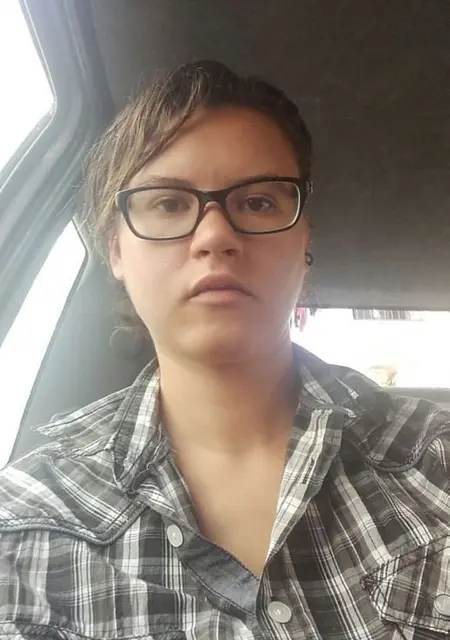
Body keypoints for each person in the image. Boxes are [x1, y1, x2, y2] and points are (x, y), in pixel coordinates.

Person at [0, 60, 449, 640]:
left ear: (304, 241)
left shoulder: (435, 461)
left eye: (258, 203)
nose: (215, 236)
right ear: (115, 250)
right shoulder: (22, 529)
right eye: (168, 204)